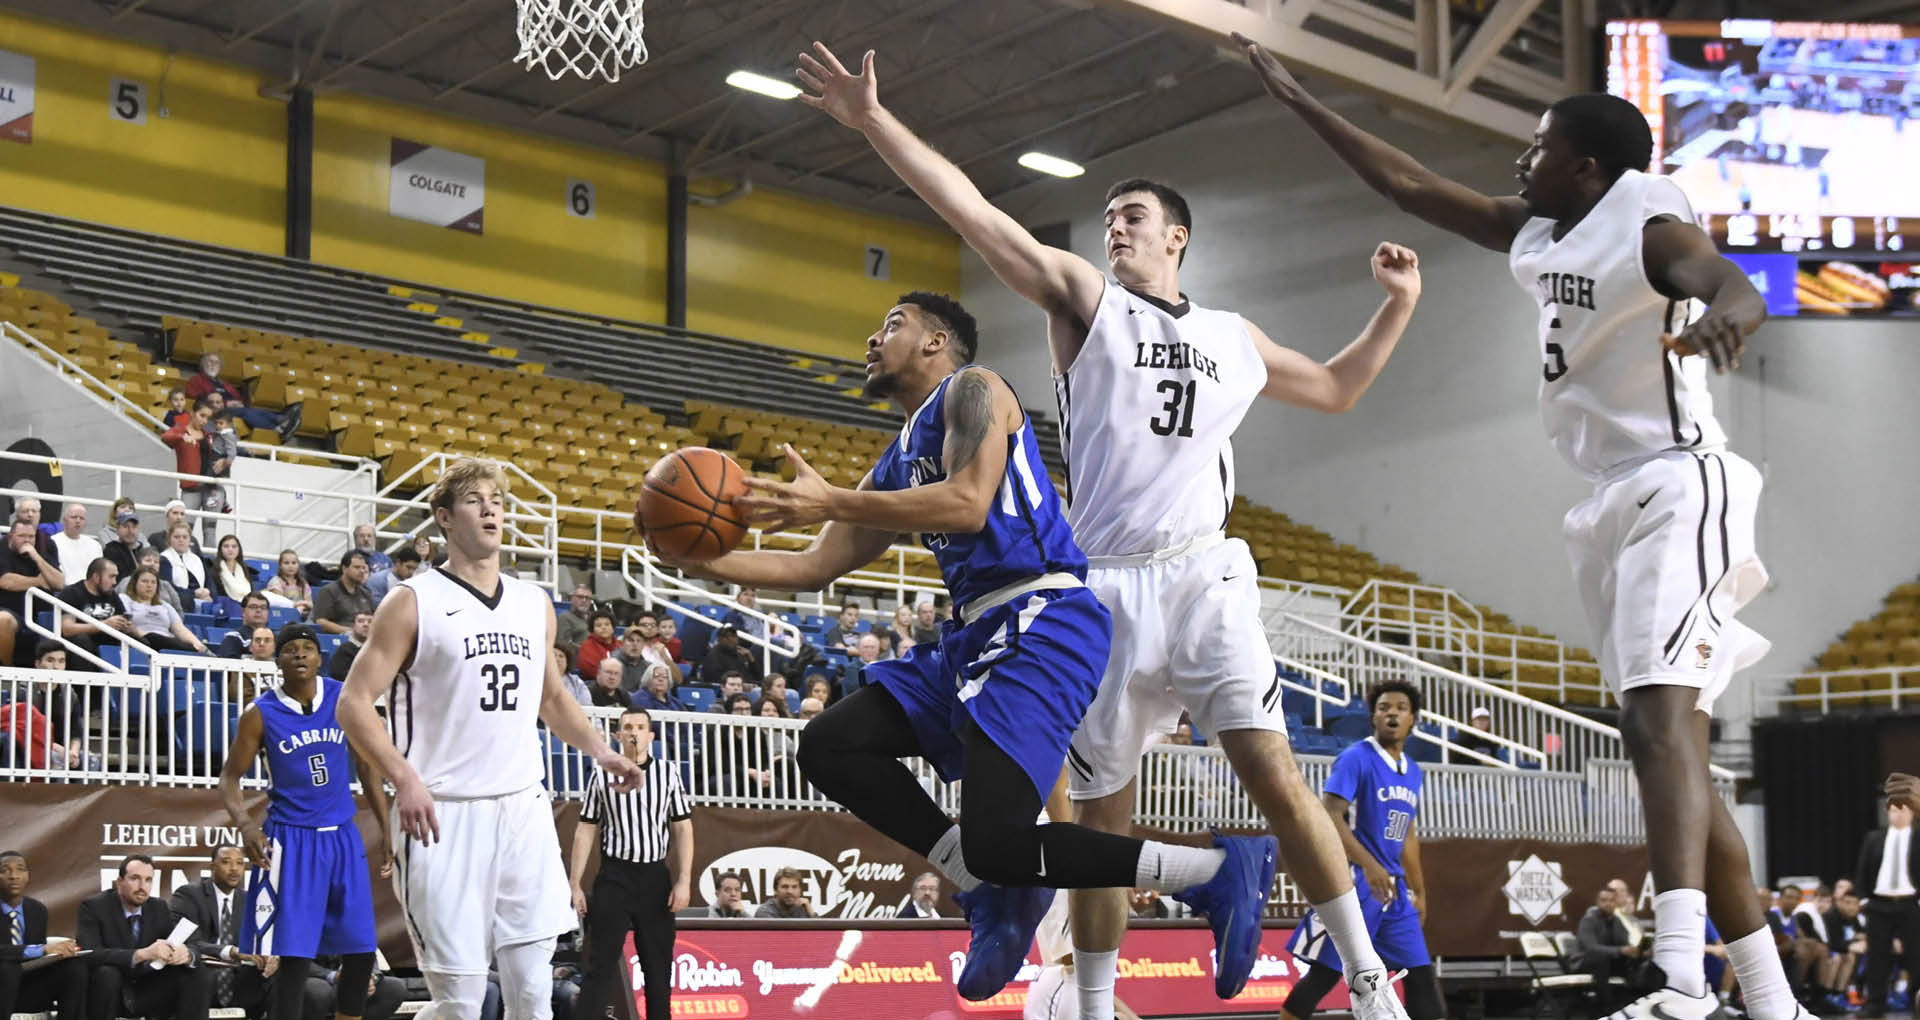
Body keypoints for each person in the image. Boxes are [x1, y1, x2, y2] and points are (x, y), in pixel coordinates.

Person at [795, 41, 1419, 1020]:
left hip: (1204, 572)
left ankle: (1371, 983)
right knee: (1101, 811)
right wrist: (875, 120)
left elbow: (1338, 388)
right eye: (1109, 218)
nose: (1116, 228)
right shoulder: (1089, 302)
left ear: (1178, 237)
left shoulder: (1234, 338)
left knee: (1269, 769)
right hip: (1105, 583)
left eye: (1133, 216)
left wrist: (1400, 306)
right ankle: (1092, 1003)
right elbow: (977, 215)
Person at [1233, 38, 1795, 1020]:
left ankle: (1678, 982)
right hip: (1609, 499)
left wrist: (1729, 319)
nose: (1522, 159)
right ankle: (1774, 1002)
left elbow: (1730, 281)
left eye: (1540, 147)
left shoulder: (1649, 226)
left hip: (1681, 483)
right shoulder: (1540, 227)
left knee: (1655, 724)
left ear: (1588, 167)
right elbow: (1408, 185)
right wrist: (1296, 97)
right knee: (1678, 757)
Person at [664, 290, 1275, 1002]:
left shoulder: (976, 389)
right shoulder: (898, 459)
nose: (872, 339)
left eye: (892, 324)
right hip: (976, 632)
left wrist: (829, 498)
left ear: (936, 342)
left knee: (1003, 840)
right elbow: (813, 565)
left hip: (1043, 617)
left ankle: (1214, 873)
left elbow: (969, 502)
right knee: (830, 745)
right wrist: (699, 559)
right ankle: (989, 887)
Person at [337, 457, 642, 1020]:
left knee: (533, 992)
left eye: (497, 501)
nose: (490, 510)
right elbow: (352, 703)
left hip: (522, 809)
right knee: (461, 1001)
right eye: (475, 501)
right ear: (444, 518)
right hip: (442, 814)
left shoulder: (533, 603)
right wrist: (404, 778)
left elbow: (551, 699)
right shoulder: (412, 600)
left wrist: (603, 751)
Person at [218, 622, 390, 1020]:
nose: (299, 654)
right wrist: (246, 825)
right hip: (291, 839)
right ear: (276, 661)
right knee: (294, 957)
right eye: (290, 649)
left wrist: (387, 829)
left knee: (362, 950)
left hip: (341, 835)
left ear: (319, 657)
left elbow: (367, 767)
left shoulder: (344, 697)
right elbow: (229, 779)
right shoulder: (260, 713)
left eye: (307, 648)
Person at [1283, 681, 1444, 1020]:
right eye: (1384, 708)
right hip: (1356, 882)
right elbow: (1329, 815)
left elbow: (1408, 835)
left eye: (1400, 708)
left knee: (1422, 983)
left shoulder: (1413, 771)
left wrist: (1420, 891)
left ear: (1413, 719)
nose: (1392, 714)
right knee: (1324, 977)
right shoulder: (1356, 757)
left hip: (1395, 891)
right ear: (1373, 717)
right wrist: (1369, 865)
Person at [568, 708, 694, 1020]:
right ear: (618, 736)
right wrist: (575, 884)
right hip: (615, 875)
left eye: (640, 727)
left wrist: (684, 880)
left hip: (655, 877)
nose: (634, 732)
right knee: (600, 965)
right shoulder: (601, 774)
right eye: (627, 727)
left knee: (658, 968)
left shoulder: (668, 773)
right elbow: (586, 828)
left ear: (651, 736)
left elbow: (682, 827)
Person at [77, 854, 215, 1020]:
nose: (142, 886)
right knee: (107, 974)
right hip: (111, 990)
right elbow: (90, 953)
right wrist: (142, 954)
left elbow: (192, 944)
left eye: (148, 880)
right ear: (119, 882)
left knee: (197, 972)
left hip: (148, 989)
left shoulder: (158, 907)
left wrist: (185, 953)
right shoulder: (94, 906)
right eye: (135, 878)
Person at [168, 846, 275, 1017]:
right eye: (226, 862)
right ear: (212, 867)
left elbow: (261, 938)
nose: (234, 869)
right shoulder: (189, 895)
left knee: (277, 975)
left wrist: (268, 956)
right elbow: (189, 942)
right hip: (203, 977)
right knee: (199, 976)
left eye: (239, 863)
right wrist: (232, 951)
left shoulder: (249, 899)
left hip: (240, 980)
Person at [0, 849, 89, 1020]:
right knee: (7, 968)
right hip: (2, 987)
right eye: (5, 870)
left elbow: (39, 962)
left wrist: (58, 954)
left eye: (20, 869)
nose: (14, 876)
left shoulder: (37, 910)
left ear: (28, 876)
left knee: (74, 967)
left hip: (28, 989)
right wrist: (42, 949)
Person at [1856, 796, 1919, 1019]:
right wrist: (1864, 900)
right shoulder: (1874, 838)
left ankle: (1916, 1003)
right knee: (1877, 957)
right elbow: (1862, 870)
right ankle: (1875, 1004)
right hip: (1879, 904)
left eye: (1902, 810)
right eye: (1893, 810)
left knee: (1916, 956)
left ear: (1912, 813)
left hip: (1911, 904)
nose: (1897, 815)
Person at [0, 519, 64, 666]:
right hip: (9, 611)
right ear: (11, 537)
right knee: (3, 619)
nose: (27, 541)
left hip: (39, 615)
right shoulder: (2, 551)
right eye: (22, 536)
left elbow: (59, 583)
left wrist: (36, 557)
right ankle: (8, 670)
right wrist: (39, 581)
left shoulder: (41, 553)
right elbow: (6, 581)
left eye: (31, 536)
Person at [1577, 885, 1641, 1013]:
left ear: (1616, 903)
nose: (1608, 904)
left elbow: (1624, 944)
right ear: (1597, 902)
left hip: (1608, 963)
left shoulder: (1617, 921)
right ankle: (1607, 1008)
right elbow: (1591, 948)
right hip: (1585, 962)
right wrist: (1620, 950)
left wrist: (1637, 952)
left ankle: (1634, 1002)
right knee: (1600, 958)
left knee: (1637, 962)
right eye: (1604, 900)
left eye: (1611, 900)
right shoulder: (1589, 920)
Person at [123, 566, 211, 654]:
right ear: (135, 583)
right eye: (144, 581)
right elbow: (127, 624)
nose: (149, 585)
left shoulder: (165, 605)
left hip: (166, 641)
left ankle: (199, 652)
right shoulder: (126, 599)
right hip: (142, 642)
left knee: (193, 647)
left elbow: (179, 629)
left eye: (153, 582)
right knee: (153, 637)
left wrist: (197, 644)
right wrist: (143, 635)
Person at [311, 551, 374, 636]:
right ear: (344, 569)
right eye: (357, 567)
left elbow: (375, 618)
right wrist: (350, 632)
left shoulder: (366, 593)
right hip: (340, 638)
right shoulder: (328, 591)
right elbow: (321, 621)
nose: (362, 571)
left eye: (363, 568)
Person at [158, 524, 211, 607]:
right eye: (177, 537)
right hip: (177, 602)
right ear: (169, 539)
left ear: (190, 539)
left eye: (185, 537)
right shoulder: (164, 558)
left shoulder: (197, 559)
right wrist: (194, 593)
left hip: (201, 599)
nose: (181, 540)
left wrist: (209, 594)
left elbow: (209, 582)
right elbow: (168, 587)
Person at [50, 504, 103, 580]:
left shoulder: (95, 545)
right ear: (64, 520)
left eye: (82, 518)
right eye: (74, 517)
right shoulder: (52, 542)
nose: (78, 521)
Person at [266, 550, 314, 618]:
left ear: (298, 565)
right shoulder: (275, 582)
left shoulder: (303, 582)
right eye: (286, 563)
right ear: (280, 565)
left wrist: (302, 606)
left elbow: (310, 604)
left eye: (294, 563)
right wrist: (299, 605)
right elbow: (281, 604)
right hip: (283, 616)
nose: (290, 566)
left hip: (302, 614)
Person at [328, 612, 373, 680]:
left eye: (370, 622)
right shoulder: (345, 649)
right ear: (353, 626)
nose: (366, 624)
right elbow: (338, 675)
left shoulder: (379, 650)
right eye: (361, 621)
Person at [211, 535, 254, 603]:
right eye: (226, 546)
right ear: (220, 549)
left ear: (239, 549)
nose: (230, 549)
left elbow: (252, 593)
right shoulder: (213, 570)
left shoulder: (245, 570)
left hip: (246, 605)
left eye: (234, 546)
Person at [555, 586, 594, 651]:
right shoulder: (565, 618)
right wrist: (588, 651)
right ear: (571, 599)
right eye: (580, 597)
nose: (584, 600)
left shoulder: (595, 618)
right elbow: (563, 644)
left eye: (587, 598)